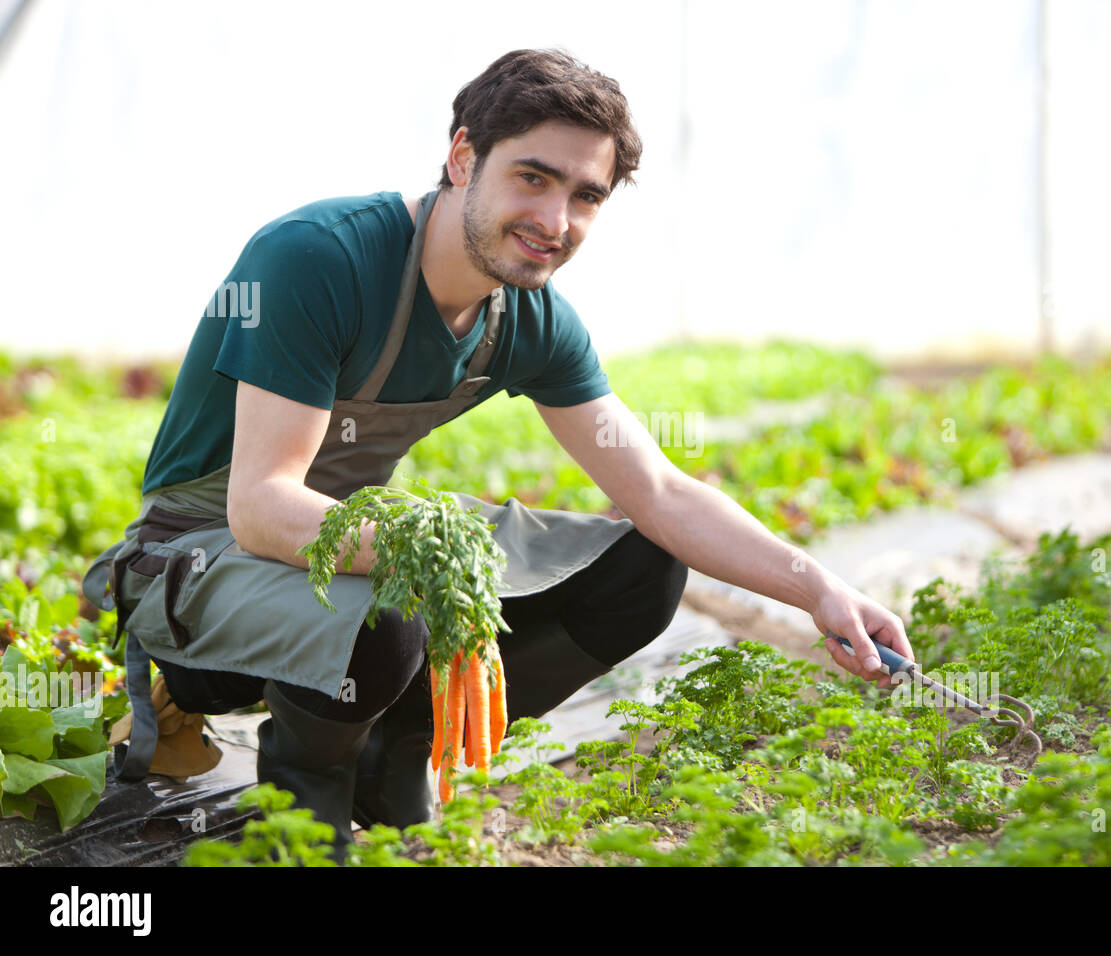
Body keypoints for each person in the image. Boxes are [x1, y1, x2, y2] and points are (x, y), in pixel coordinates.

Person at [82, 48, 912, 851]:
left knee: (641, 565)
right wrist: (427, 562)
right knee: (394, 604)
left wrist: (819, 589)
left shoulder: (529, 317)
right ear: (462, 157)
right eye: (533, 177)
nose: (555, 223)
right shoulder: (317, 260)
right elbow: (261, 505)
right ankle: (302, 806)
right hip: (195, 556)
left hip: (343, 552)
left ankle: (396, 751)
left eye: (586, 195)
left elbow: (659, 492)